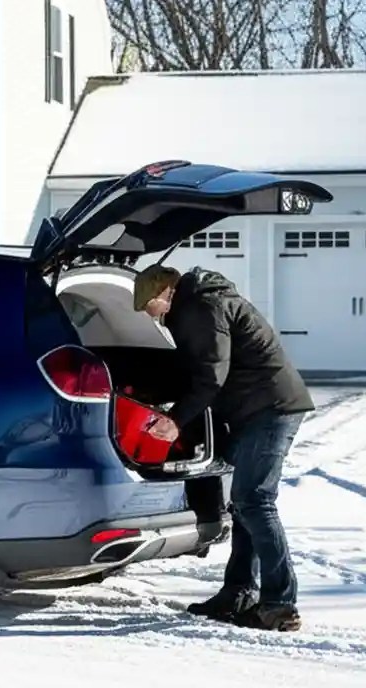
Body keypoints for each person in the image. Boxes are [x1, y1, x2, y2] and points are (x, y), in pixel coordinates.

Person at [131, 264, 314, 632]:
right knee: (245, 503)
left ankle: (280, 604)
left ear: (162, 293)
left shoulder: (201, 308)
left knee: (255, 501)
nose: (148, 314)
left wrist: (176, 420)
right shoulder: (197, 305)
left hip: (270, 408)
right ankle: (238, 591)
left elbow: (211, 374)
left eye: (147, 305)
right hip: (256, 409)